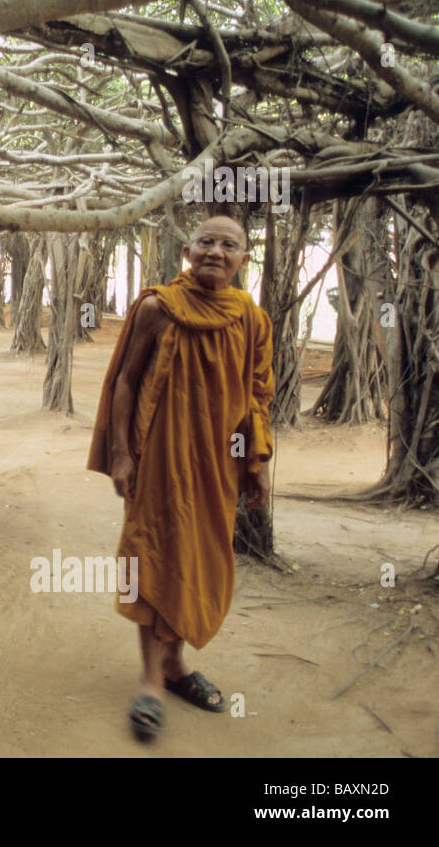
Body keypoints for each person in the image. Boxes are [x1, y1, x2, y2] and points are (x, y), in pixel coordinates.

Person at [87, 216, 274, 738]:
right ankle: (150, 681)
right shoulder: (156, 306)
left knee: (197, 559)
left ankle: (175, 664)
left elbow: (258, 396)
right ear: (188, 250)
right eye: (206, 242)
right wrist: (121, 454)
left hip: (217, 467)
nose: (216, 251)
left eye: (229, 245)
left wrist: (257, 465)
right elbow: (125, 381)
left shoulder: (252, 319)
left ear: (243, 258)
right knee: (151, 556)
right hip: (158, 459)